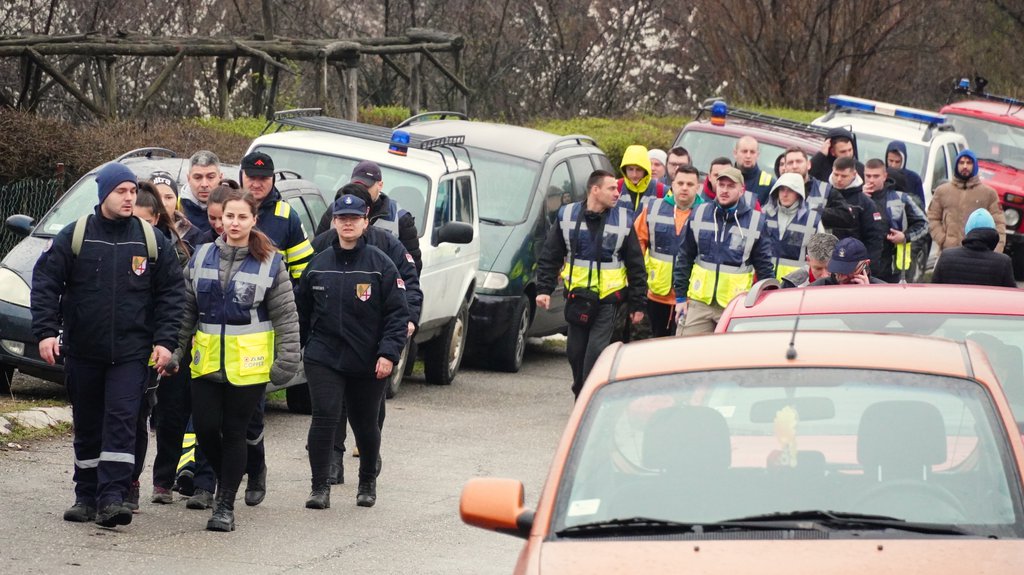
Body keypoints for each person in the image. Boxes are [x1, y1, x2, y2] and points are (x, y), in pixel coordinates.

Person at [31, 162, 184, 527]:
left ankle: (112, 498)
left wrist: (165, 341)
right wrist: (46, 332)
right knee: (88, 423)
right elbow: (46, 283)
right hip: (83, 350)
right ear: (104, 195)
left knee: (121, 421)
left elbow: (171, 294)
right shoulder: (76, 235)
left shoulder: (151, 240)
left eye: (132, 191)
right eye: (121, 192)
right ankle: (85, 496)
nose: (129, 198)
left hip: (131, 354)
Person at [173, 189, 300, 531]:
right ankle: (236, 472)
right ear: (220, 218)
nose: (234, 223)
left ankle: (225, 505)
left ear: (254, 220)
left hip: (249, 367)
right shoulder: (201, 256)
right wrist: (174, 350)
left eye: (242, 217)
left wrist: (287, 361)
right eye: (229, 216)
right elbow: (186, 310)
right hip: (206, 363)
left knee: (234, 432)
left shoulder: (271, 262)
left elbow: (287, 317)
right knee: (205, 429)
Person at [298, 194, 410, 510]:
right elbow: (302, 311)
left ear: (365, 222)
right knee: (324, 417)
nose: (348, 223)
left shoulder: (380, 264)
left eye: (354, 218)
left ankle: (367, 481)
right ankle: (319, 487)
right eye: (342, 218)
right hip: (324, 356)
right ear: (334, 222)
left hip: (367, 359)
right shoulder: (318, 264)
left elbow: (397, 314)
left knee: (365, 423)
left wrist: (388, 354)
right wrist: (297, 350)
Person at [237, 151, 314, 507]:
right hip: (223, 327)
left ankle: (256, 471)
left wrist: (286, 313)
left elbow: (304, 273)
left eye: (263, 178)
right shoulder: (231, 208)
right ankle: (213, 480)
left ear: (272, 180)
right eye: (251, 177)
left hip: (263, 330)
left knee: (252, 409)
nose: (257, 183)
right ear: (242, 177)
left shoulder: (286, 216)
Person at [535, 169, 647, 398]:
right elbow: (551, 254)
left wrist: (637, 304)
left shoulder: (624, 220)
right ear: (595, 190)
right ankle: (581, 394)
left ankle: (587, 402)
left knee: (595, 355)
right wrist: (544, 289)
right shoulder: (567, 215)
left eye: (617, 189)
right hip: (577, 298)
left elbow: (636, 265)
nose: (617, 193)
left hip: (608, 301)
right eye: (611, 188)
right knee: (575, 354)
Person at [673, 166, 775, 335]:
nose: (724, 190)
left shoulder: (756, 221)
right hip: (699, 303)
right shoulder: (699, 213)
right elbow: (685, 257)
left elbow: (764, 267)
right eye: (721, 185)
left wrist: (766, 305)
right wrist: (680, 298)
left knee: (728, 352)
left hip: (736, 304)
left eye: (731, 186)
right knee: (686, 348)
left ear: (741, 190)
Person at [314, 161, 423, 274]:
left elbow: (412, 269)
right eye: (356, 185)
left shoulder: (400, 219)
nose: (360, 190)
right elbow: (316, 253)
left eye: (366, 186)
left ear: (380, 185)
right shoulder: (334, 211)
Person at [634, 166, 702, 337]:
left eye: (690, 184)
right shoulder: (653, 208)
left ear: (698, 187)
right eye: (680, 183)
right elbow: (637, 244)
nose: (684, 188)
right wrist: (638, 281)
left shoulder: (707, 213)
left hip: (692, 297)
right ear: (672, 184)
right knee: (654, 343)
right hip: (657, 293)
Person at [928, 149, 1007, 255]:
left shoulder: (989, 194)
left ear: (975, 165)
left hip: (978, 255)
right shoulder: (942, 191)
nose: (965, 166)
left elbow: (999, 224)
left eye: (969, 163)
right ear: (956, 165)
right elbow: (932, 218)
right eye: (961, 162)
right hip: (949, 254)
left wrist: (995, 252)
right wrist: (943, 240)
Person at [861, 159, 928, 283]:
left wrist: (905, 236)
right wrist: (860, 198)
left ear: (884, 176)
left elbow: (924, 224)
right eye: (868, 176)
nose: (871, 180)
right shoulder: (858, 198)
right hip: (863, 267)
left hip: (892, 269)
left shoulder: (900, 199)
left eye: (876, 176)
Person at [820, 156, 883, 273]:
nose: (838, 179)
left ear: (854, 174)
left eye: (844, 176)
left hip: (851, 265)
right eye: (836, 174)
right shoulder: (822, 194)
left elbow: (874, 239)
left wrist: (866, 268)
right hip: (822, 261)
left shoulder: (865, 203)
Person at [931, 209, 1016, 287]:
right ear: (993, 233)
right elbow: (1011, 295)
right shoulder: (1003, 262)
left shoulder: (946, 257)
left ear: (967, 230)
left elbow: (934, 290)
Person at [763, 172, 823, 281]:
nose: (785, 194)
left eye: (790, 190)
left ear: (798, 193)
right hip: (767, 281)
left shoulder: (812, 220)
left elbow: (822, 256)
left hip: (797, 283)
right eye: (782, 189)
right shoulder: (765, 215)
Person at [150, 171, 204, 251]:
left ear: (176, 200)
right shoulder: (136, 229)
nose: (163, 204)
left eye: (169, 197)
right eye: (156, 197)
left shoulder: (192, 234)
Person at [809, 237, 887, 285]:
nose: (842, 277)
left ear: (865, 264)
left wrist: (868, 295)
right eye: (837, 269)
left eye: (847, 270)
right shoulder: (817, 289)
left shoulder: (883, 291)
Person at [180, 151, 223, 233]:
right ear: (188, 179)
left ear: (220, 178)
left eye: (210, 177)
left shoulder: (235, 207)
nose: (204, 184)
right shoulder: (176, 207)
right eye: (197, 177)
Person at [617, 145, 665, 218]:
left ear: (645, 170)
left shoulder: (662, 190)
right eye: (630, 169)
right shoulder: (616, 187)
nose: (634, 175)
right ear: (624, 169)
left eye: (639, 170)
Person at [733, 136, 775, 205]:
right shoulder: (724, 179)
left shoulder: (769, 184)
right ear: (735, 153)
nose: (748, 156)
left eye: (752, 152)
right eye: (744, 151)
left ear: (757, 155)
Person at [885, 141, 926, 208]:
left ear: (903, 161)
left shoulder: (914, 179)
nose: (893, 165)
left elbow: (920, 206)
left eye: (897, 162)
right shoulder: (879, 176)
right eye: (891, 161)